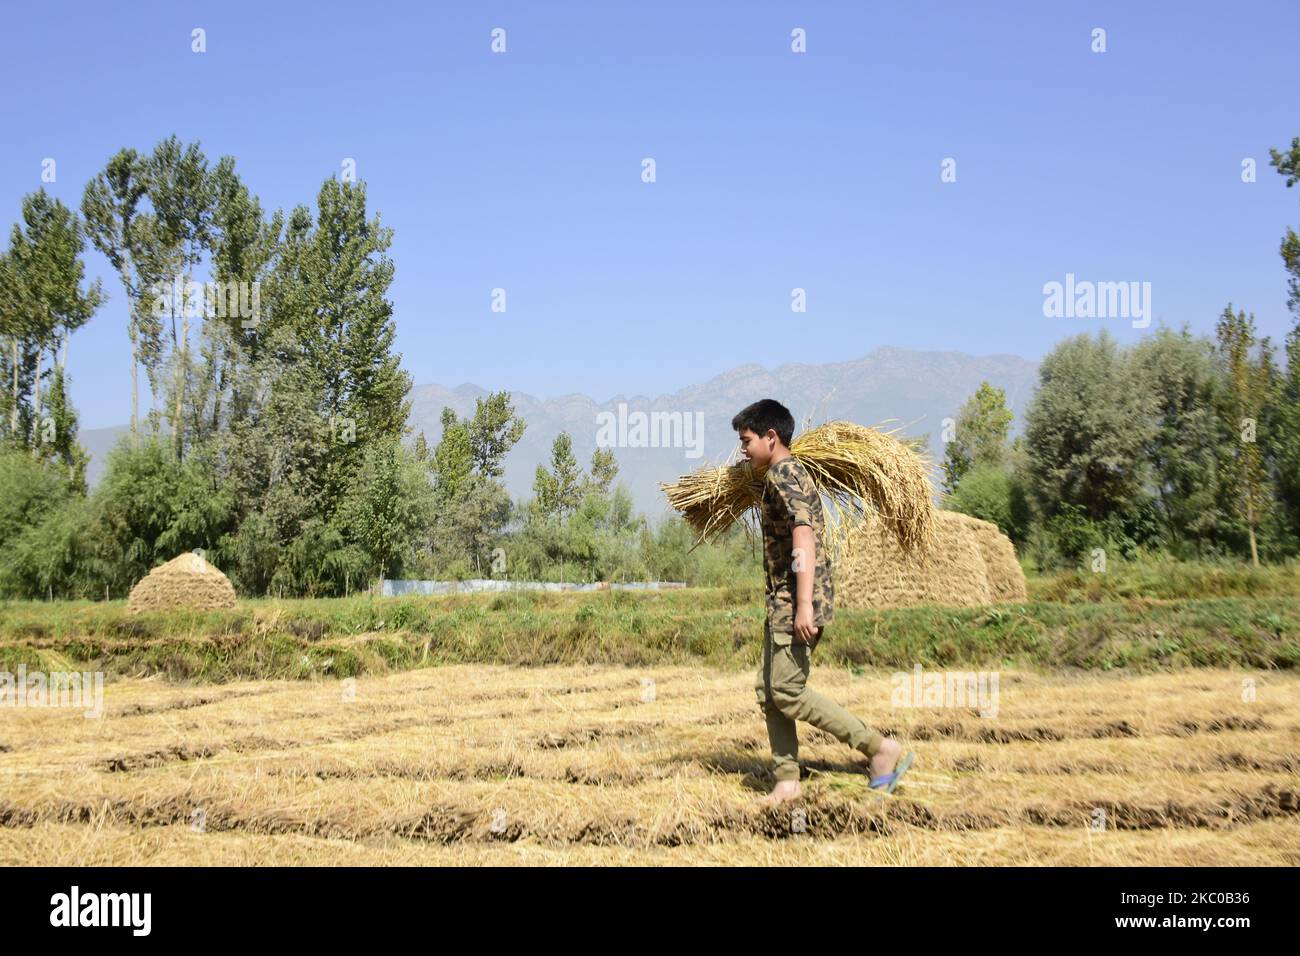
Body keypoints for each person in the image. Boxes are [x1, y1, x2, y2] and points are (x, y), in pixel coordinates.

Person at [731, 399, 914, 804]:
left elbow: (804, 537)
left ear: (771, 437)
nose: (742, 450)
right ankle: (787, 780)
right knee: (769, 689)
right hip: (782, 599)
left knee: (788, 690)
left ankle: (879, 749)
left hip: (796, 599)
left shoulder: (785, 476)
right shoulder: (781, 472)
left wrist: (804, 604)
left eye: (746, 441)